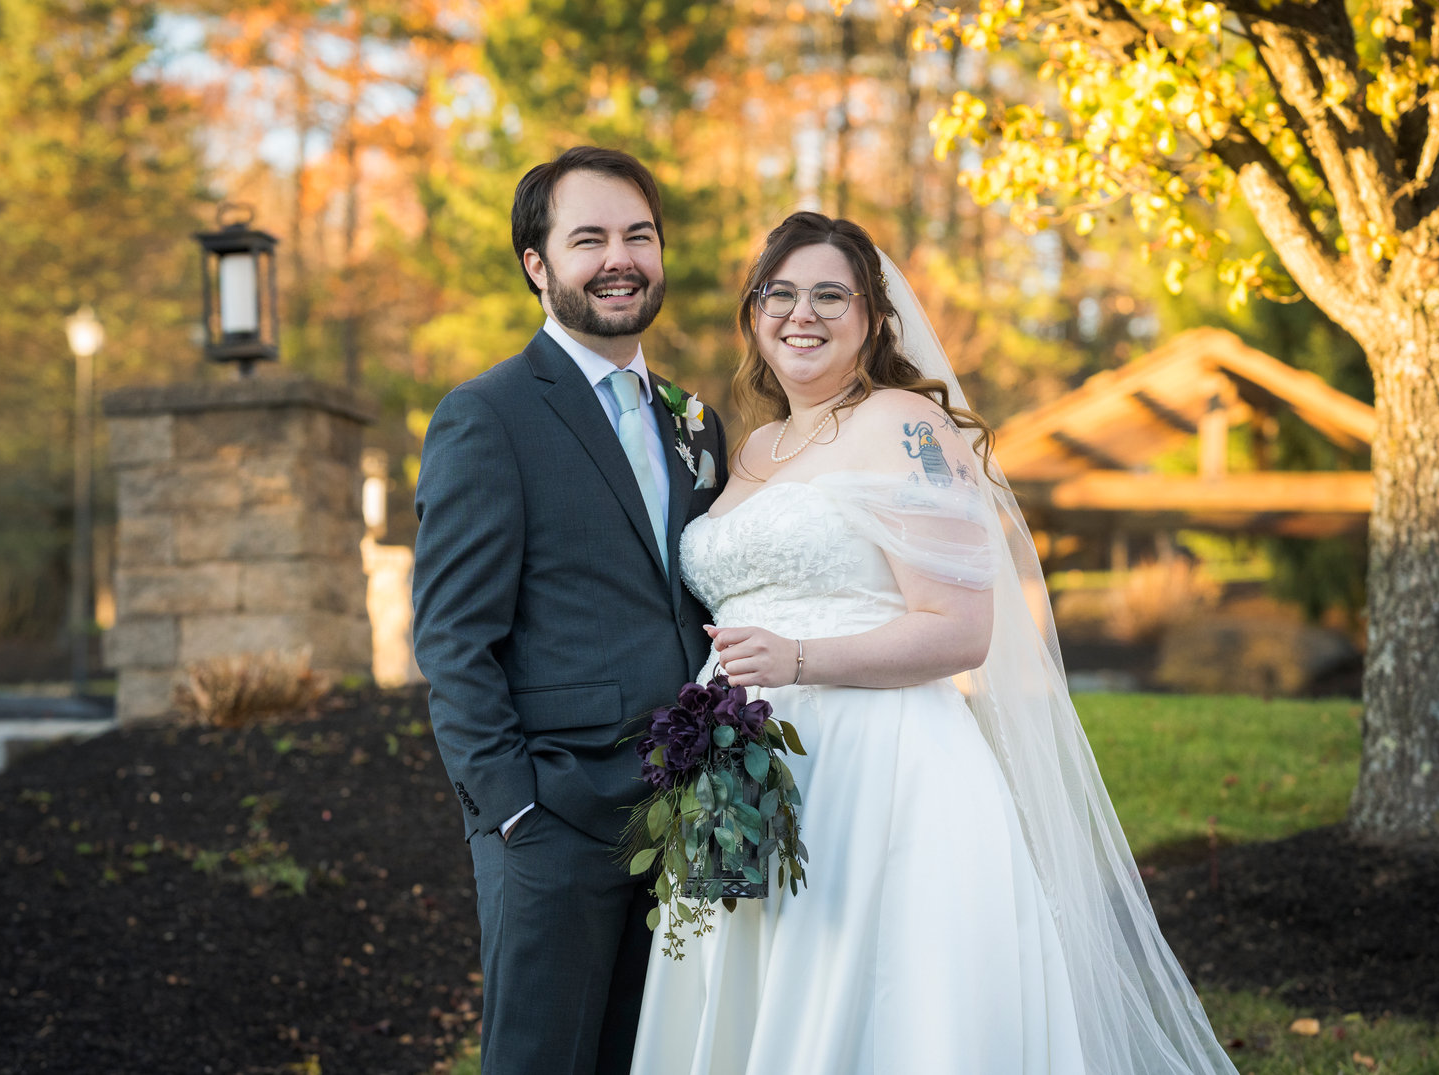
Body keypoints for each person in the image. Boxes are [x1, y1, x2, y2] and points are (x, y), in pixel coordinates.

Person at [630, 212, 1239, 1075]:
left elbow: (962, 629)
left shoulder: (907, 425)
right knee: (762, 992)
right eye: (781, 293)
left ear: (874, 318)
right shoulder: (756, 445)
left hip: (880, 764)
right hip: (749, 767)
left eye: (830, 295)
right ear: (754, 313)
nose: (802, 314)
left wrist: (799, 661)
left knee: (875, 1001)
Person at [412, 146, 729, 1075]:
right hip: (554, 821)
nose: (618, 257)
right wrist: (513, 810)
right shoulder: (489, 416)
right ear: (537, 266)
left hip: (689, 818)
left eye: (638, 234)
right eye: (588, 238)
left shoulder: (695, 421)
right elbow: (452, 640)